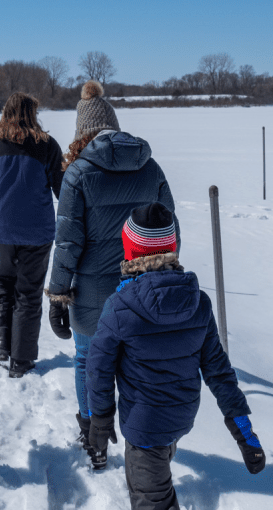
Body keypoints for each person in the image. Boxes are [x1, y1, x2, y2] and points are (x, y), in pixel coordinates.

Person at [86, 203, 266, 510]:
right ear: (172, 247)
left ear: (130, 250)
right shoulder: (197, 302)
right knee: (149, 481)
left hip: (144, 425)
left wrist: (100, 420)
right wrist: (243, 430)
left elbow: (98, 368)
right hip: (180, 417)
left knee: (155, 509)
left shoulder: (120, 307)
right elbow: (218, 369)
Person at [46, 80, 177, 464]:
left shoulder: (77, 174)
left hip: (91, 295)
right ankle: (145, 444)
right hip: (141, 292)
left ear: (81, 132)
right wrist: (167, 281)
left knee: (87, 361)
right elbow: (169, 230)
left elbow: (67, 243)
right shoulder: (150, 167)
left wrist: (58, 295)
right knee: (137, 364)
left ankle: (93, 438)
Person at [0, 92, 64, 378]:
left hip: (0, 230)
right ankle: (21, 360)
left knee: (2, 282)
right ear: (32, 114)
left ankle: (0, 342)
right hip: (37, 232)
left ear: (5, 112)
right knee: (28, 293)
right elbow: (63, 191)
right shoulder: (47, 145)